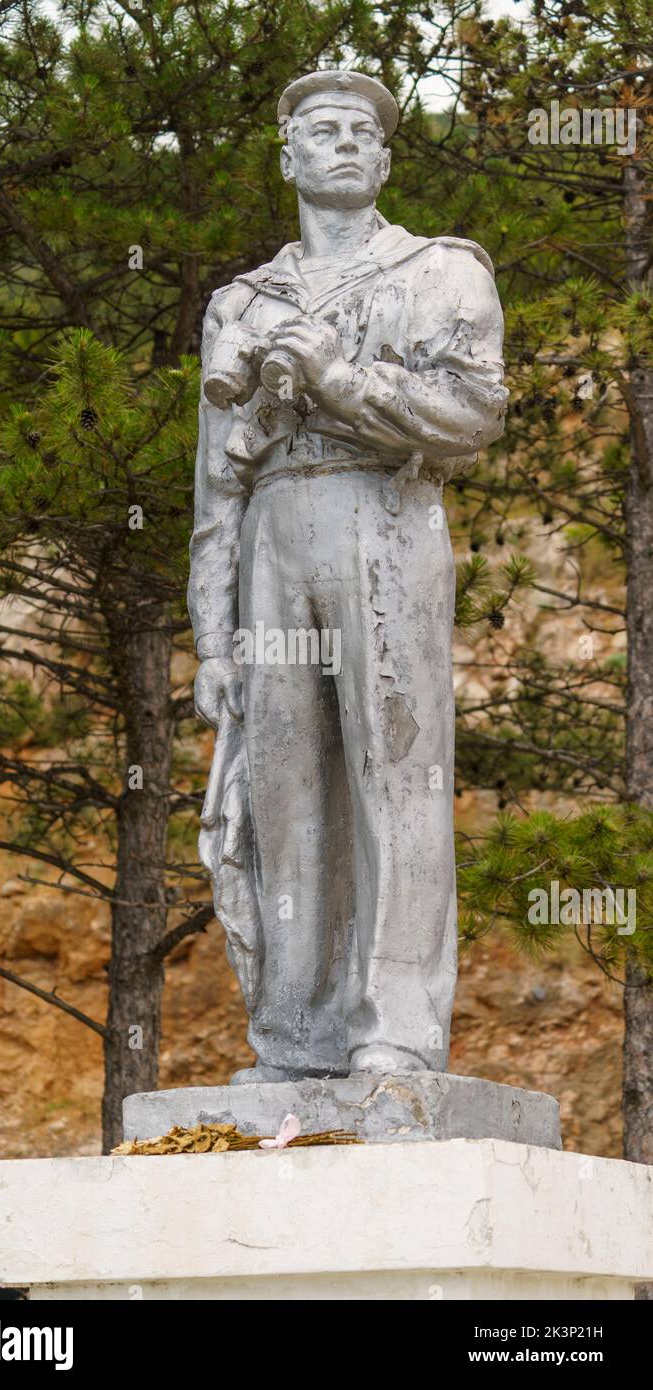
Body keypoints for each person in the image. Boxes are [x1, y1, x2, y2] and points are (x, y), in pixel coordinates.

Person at [189, 70, 508, 1082]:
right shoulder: (239, 303)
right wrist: (211, 640)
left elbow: (469, 416)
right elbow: (211, 491)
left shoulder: (437, 270)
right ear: (285, 157)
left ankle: (394, 1028)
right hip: (271, 534)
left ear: (381, 157)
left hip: (384, 513)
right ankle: (296, 1032)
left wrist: (335, 378)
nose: (338, 144)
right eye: (316, 130)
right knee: (283, 789)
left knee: (394, 775)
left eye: (358, 132)